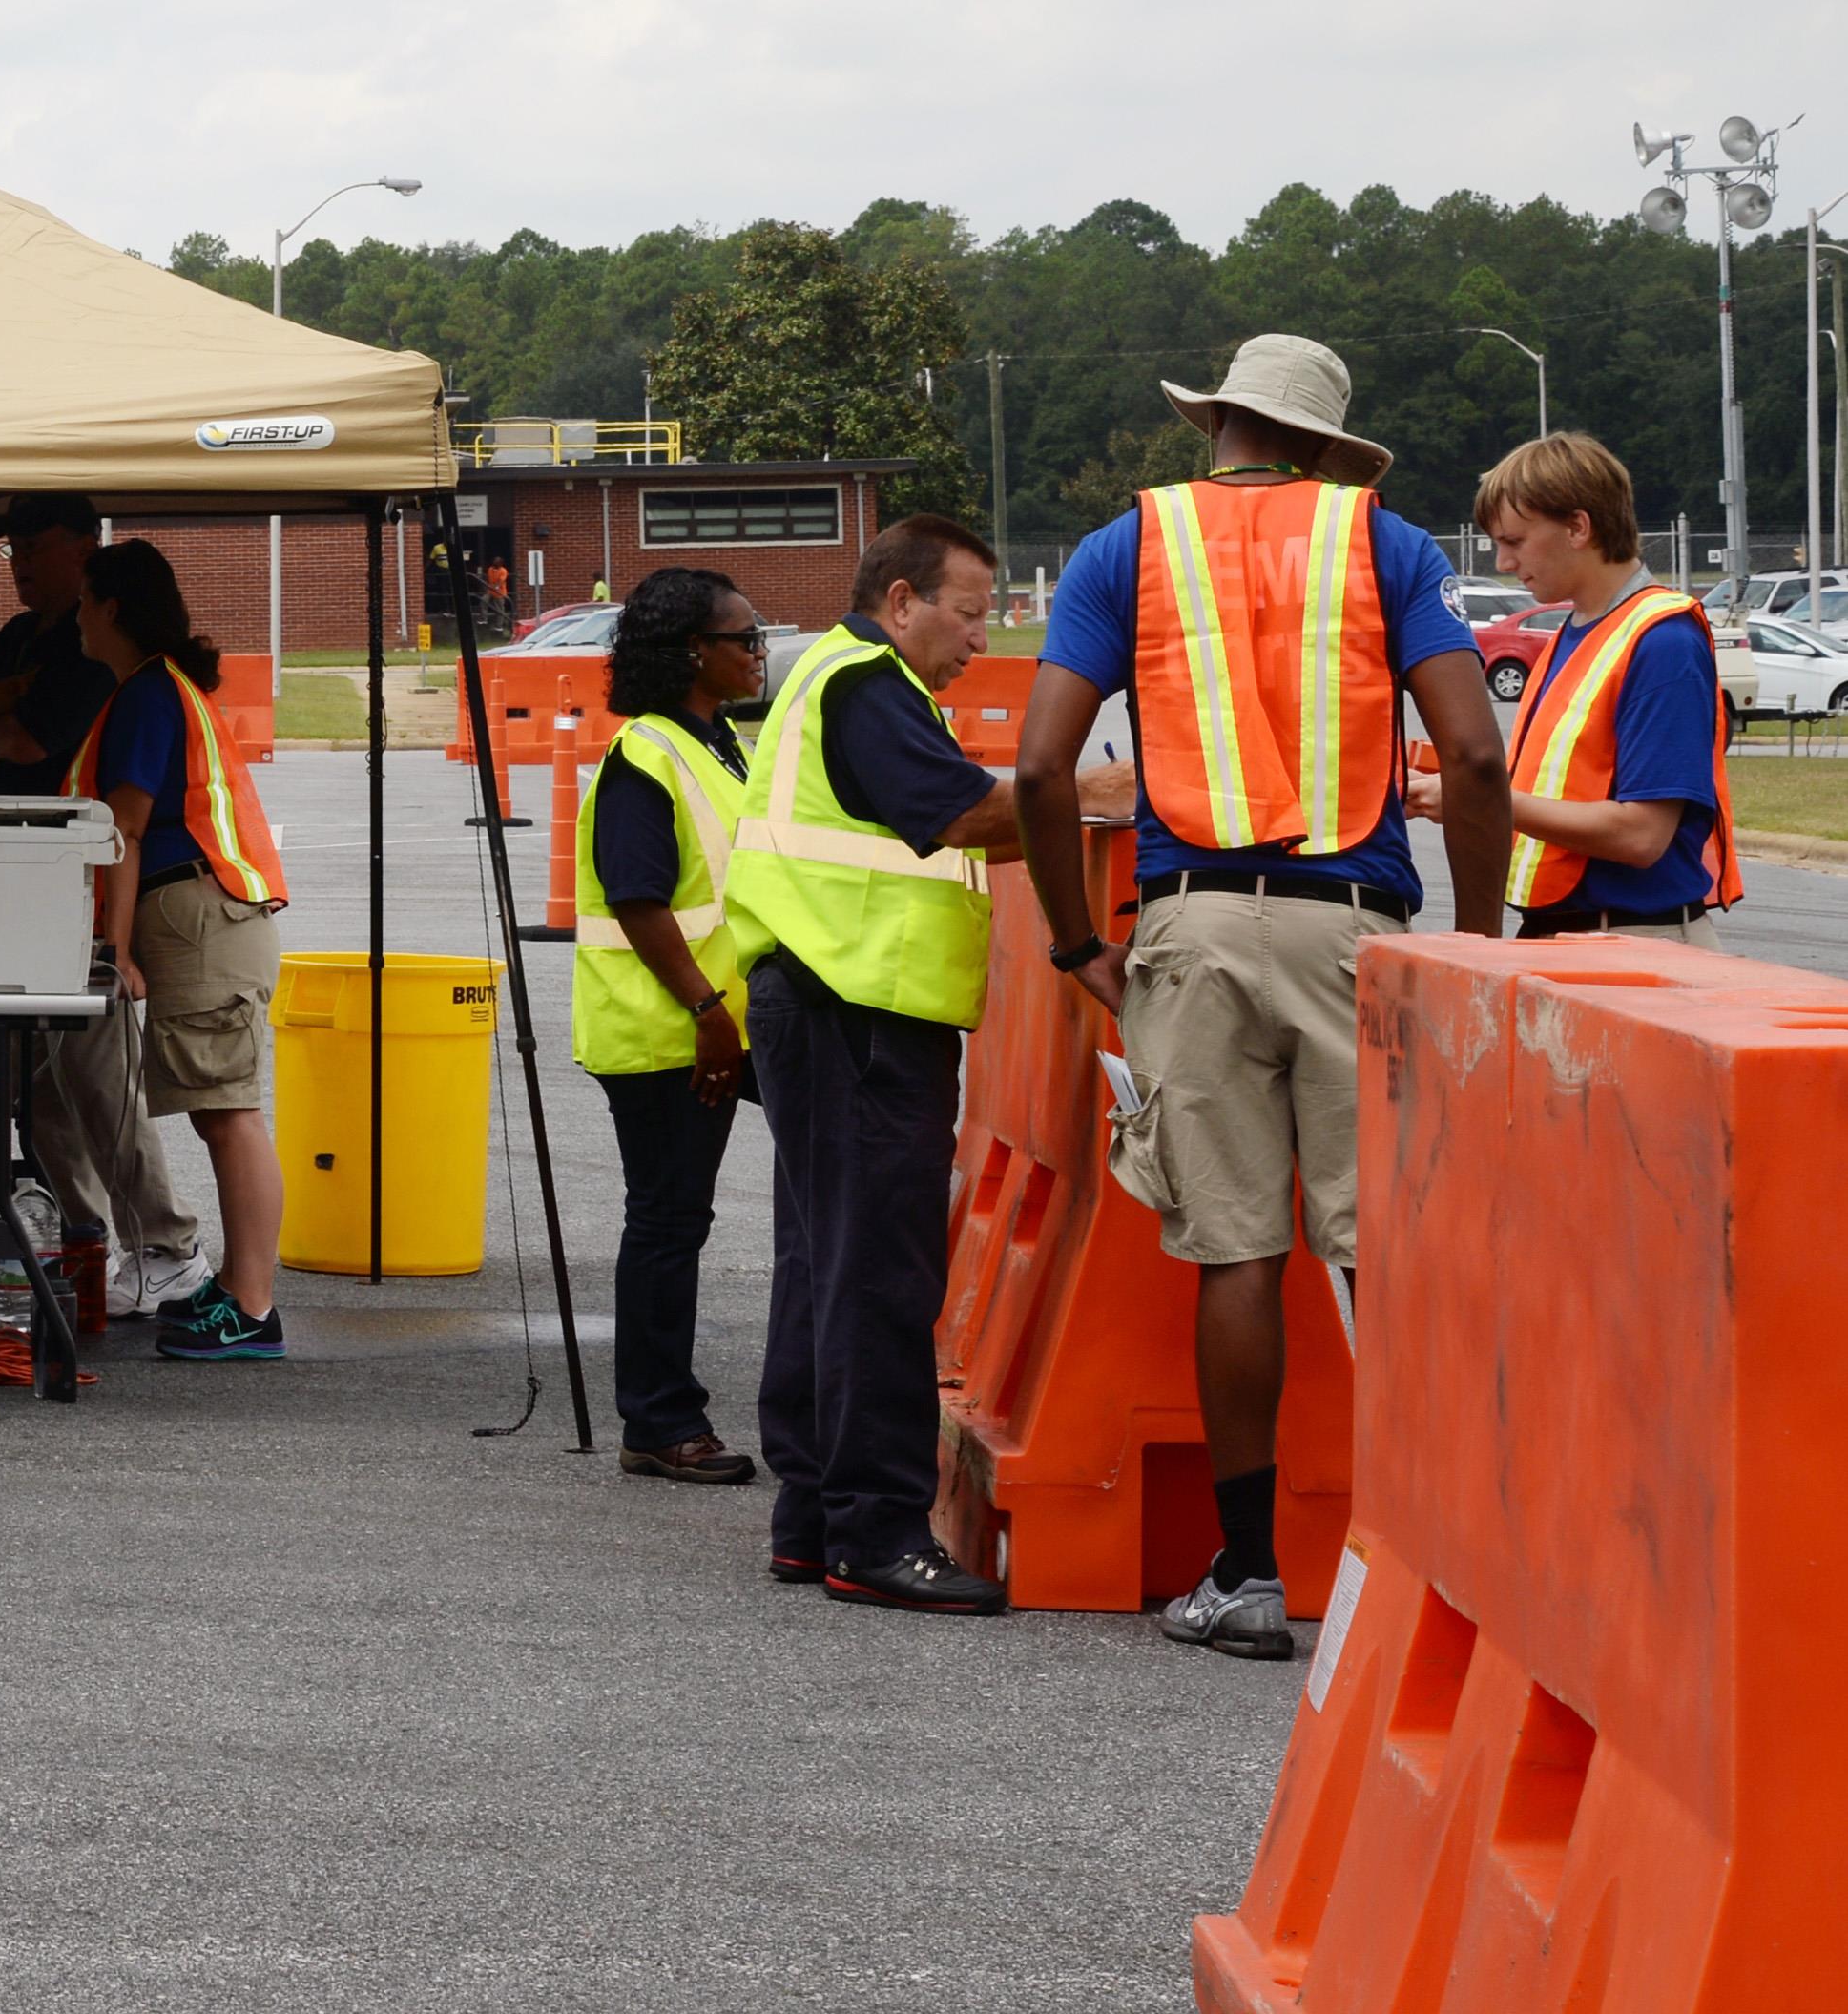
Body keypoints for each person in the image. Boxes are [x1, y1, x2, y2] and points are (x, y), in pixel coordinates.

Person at [1017, 335, 1505, 1665]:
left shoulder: (1128, 548)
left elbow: (1044, 769)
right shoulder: (1387, 545)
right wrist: (1483, 938)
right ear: (1323, 446)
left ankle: (1242, 1575)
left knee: (1237, 1252)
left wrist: (1078, 942)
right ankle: (1439, 1573)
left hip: (1192, 922)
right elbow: (1470, 749)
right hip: (1354, 924)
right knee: (1379, 1247)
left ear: (1218, 424)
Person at [725, 514, 1031, 1614]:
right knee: (879, 1272)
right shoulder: (869, 685)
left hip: (824, 1001)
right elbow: (961, 812)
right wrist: (1080, 796)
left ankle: (813, 1518)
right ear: (901, 602)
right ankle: (877, 1531)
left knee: (826, 1260)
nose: (979, 637)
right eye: (967, 609)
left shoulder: (838, 682)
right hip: (856, 1007)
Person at [0, 491, 208, 1316]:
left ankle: (165, 1243)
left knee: (96, 1066)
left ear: (86, 549)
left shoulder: (101, 656)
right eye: (8, 546)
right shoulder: (25, 637)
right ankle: (83, 1236)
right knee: (36, 1081)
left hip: (77, 883)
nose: (17, 560)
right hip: (16, 882)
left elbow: (29, 745)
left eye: (33, 544)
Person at [68, 540, 294, 1362]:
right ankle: (240, 1292)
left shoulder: (147, 694)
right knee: (220, 1111)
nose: (78, 617)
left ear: (115, 607)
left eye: (86, 601)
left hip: (199, 915)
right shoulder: (159, 688)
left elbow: (121, 831)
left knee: (228, 1113)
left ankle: (253, 1303)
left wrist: (115, 949)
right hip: (208, 913)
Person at [572, 569, 763, 1487]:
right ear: (695, 651)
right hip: (672, 1029)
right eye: (745, 638)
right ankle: (658, 1421)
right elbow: (640, 900)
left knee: (689, 1213)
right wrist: (706, 1013)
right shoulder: (643, 757)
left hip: (727, 1018)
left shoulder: (720, 740)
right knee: (667, 1218)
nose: (758, 651)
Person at [1434, 433, 1740, 947]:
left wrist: (1478, 798)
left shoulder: (1663, 640)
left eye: (1513, 541)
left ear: (1578, 527)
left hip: (1636, 945)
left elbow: (1641, 836)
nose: (1504, 563)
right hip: (1573, 938)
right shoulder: (1572, 634)